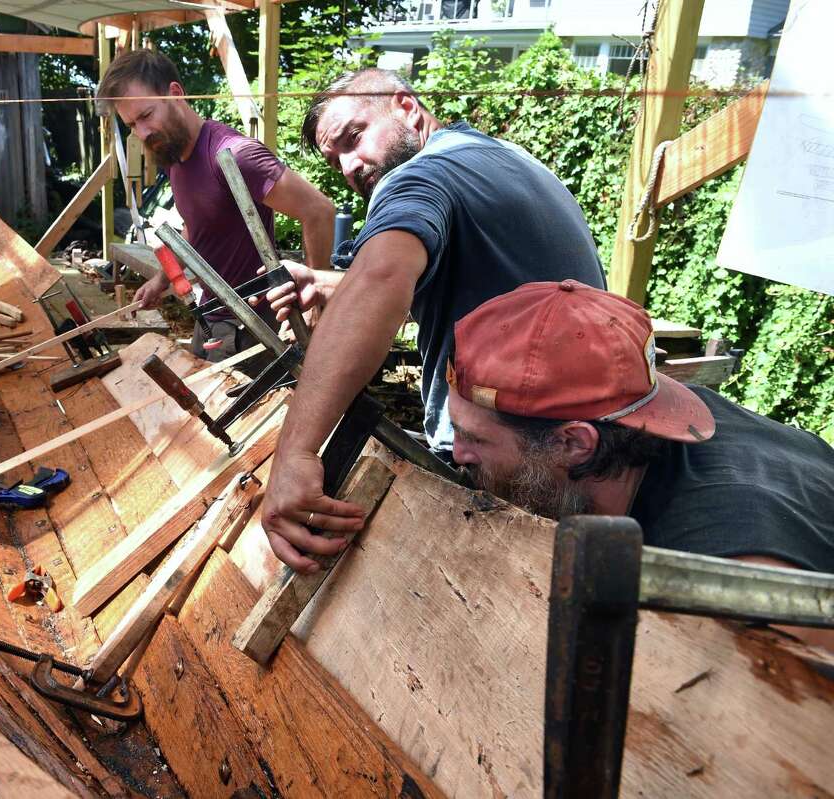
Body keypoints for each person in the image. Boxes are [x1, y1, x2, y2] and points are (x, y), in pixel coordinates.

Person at [258, 68, 605, 568]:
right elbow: (459, 280)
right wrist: (329, 281)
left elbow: (381, 280)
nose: (351, 166)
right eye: (337, 162)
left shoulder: (415, 177)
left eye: (354, 138)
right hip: (587, 452)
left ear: (406, 106)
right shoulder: (505, 159)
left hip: (513, 471)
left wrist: (296, 454)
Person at [447, 281, 834, 648]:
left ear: (573, 443)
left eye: (474, 438)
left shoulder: (725, 575)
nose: (457, 453)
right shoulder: (643, 413)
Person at [96, 49, 335, 364]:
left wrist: (316, 305)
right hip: (211, 315)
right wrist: (162, 279)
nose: (142, 133)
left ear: (176, 94)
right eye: (132, 125)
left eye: (146, 115)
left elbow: (319, 211)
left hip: (252, 326)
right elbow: (194, 229)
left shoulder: (233, 154)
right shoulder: (176, 155)